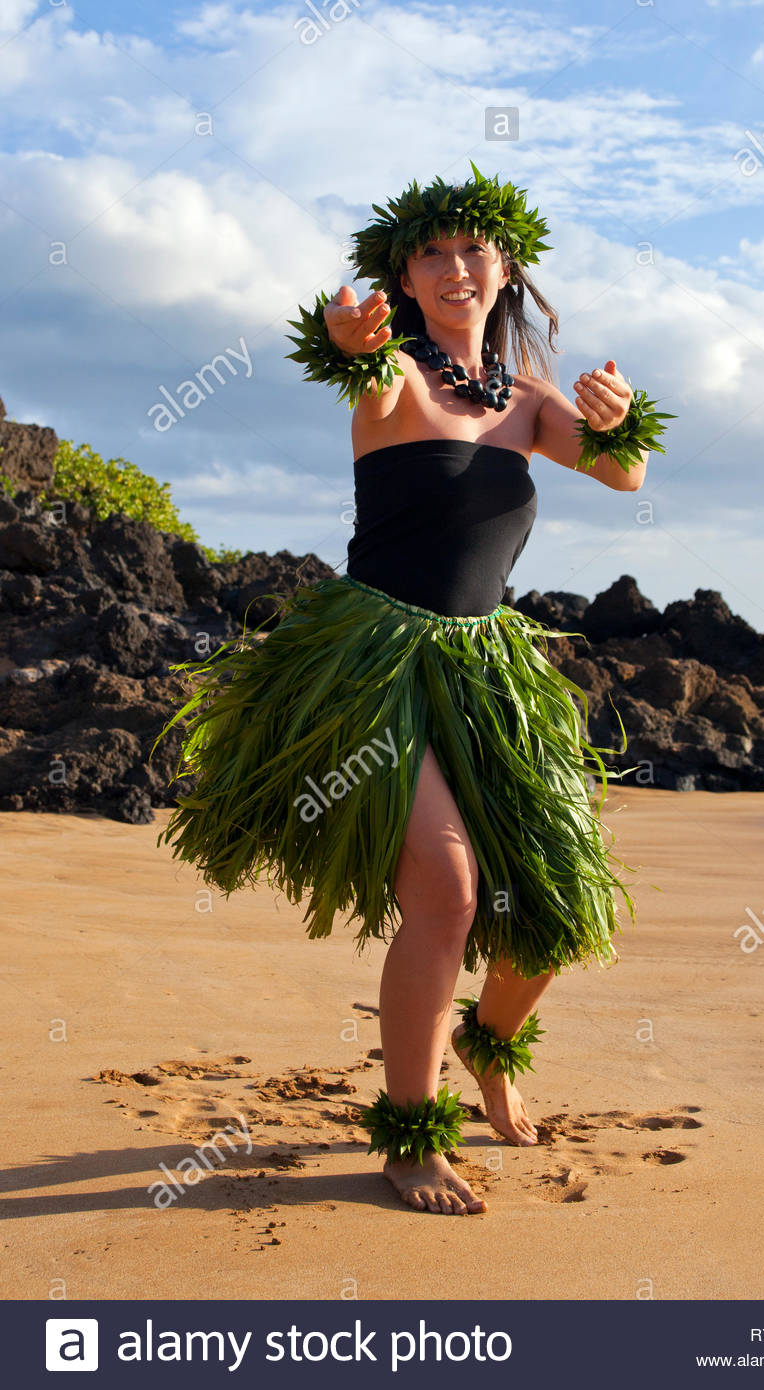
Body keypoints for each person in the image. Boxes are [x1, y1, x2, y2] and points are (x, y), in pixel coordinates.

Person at [153, 164, 668, 1218]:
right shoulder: (392, 376)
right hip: (374, 666)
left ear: (506, 267)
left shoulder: (526, 403)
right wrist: (350, 338)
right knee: (447, 888)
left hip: (486, 669)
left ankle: (491, 1049)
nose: (455, 266)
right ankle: (409, 1135)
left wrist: (615, 419)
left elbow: (624, 477)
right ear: (403, 275)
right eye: (431, 252)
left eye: (474, 248)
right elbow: (359, 363)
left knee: (552, 913)